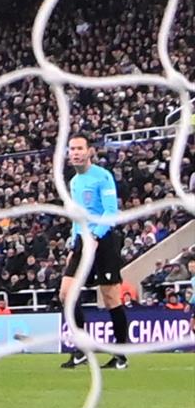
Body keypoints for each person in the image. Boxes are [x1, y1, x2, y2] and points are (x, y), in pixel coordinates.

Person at [58, 135, 128, 371]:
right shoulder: (75, 181)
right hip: (81, 241)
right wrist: (73, 242)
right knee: (66, 294)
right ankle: (82, 350)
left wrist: (96, 236)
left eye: (79, 148)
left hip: (104, 241)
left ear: (89, 152)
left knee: (110, 298)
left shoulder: (103, 176)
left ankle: (121, 355)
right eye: (72, 149)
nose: (75, 152)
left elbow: (110, 212)